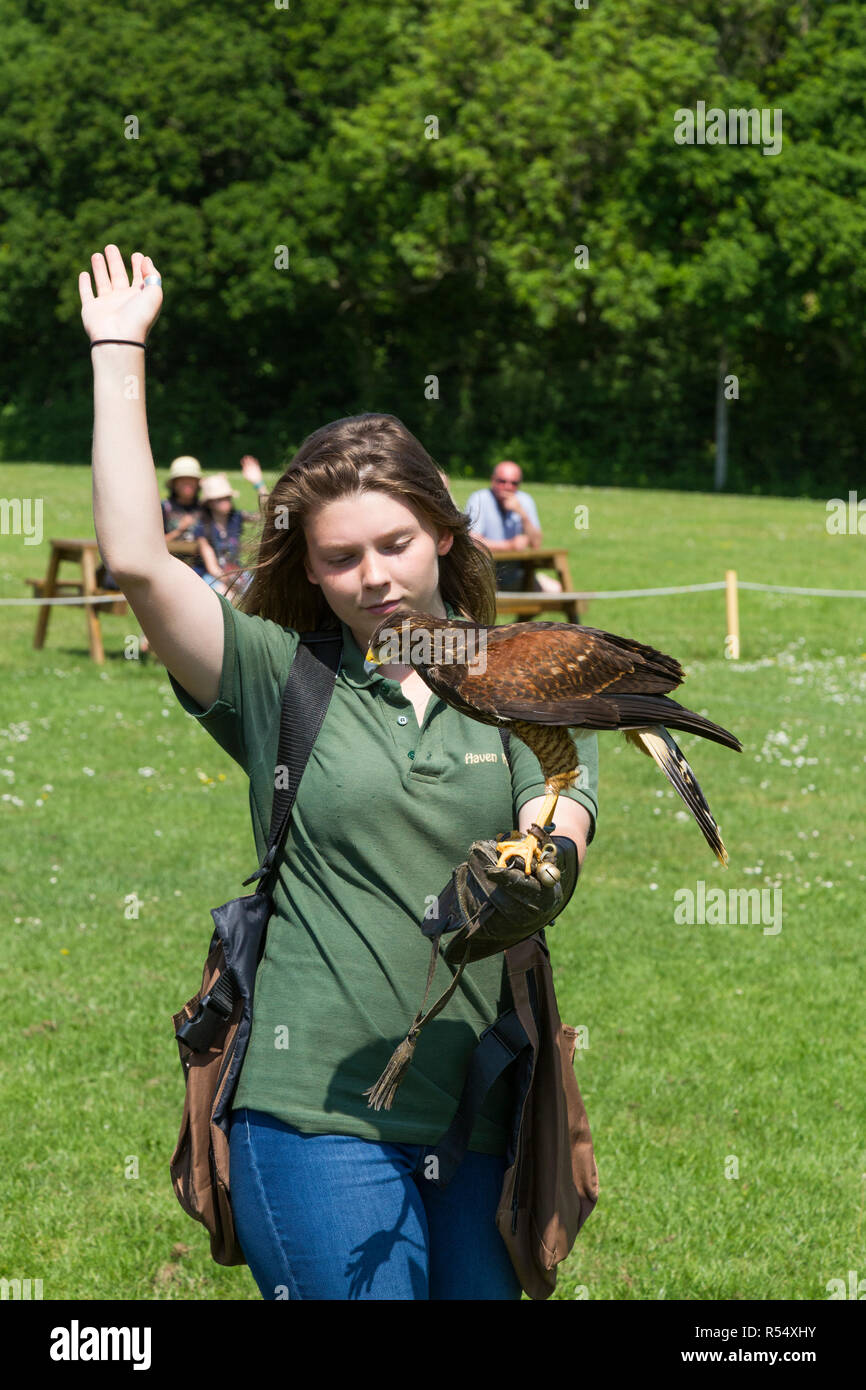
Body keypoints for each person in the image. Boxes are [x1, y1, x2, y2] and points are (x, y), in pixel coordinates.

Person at [79, 245, 599, 1301]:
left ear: (443, 534)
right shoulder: (277, 676)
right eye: (338, 557)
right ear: (306, 568)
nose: (372, 577)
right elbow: (136, 559)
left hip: (480, 1112)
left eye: (394, 543)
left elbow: (564, 810)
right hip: (311, 1113)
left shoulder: (527, 678)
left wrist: (540, 868)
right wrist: (118, 349)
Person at [465, 461, 563, 595]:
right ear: (492, 480)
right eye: (502, 481)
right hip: (485, 578)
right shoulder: (479, 498)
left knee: (557, 591)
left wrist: (523, 515)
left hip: (516, 576)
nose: (507, 487)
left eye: (514, 483)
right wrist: (510, 545)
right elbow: (474, 541)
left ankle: (523, 618)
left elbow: (536, 543)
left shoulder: (525, 501)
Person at [192, 463, 268, 599]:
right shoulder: (202, 528)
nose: (225, 502)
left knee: (263, 592)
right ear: (209, 503)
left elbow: (270, 513)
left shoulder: (237, 518)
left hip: (236, 571)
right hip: (212, 576)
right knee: (226, 596)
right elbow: (212, 567)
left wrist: (258, 483)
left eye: (227, 497)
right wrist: (229, 580)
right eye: (219, 499)